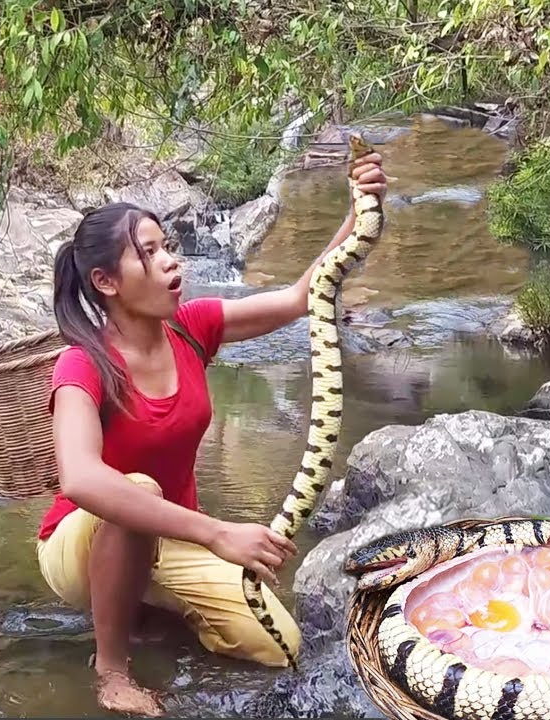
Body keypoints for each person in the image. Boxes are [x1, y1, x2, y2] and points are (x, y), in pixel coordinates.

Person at [38, 150, 387, 716]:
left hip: (173, 538)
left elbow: (303, 297)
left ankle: (147, 599)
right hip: (76, 547)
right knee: (136, 493)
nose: (170, 262)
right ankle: (110, 668)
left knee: (279, 647)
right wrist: (219, 533)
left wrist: (361, 214)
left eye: (167, 247)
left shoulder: (194, 327)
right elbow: (78, 477)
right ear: (105, 281)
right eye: (147, 254)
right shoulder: (82, 364)